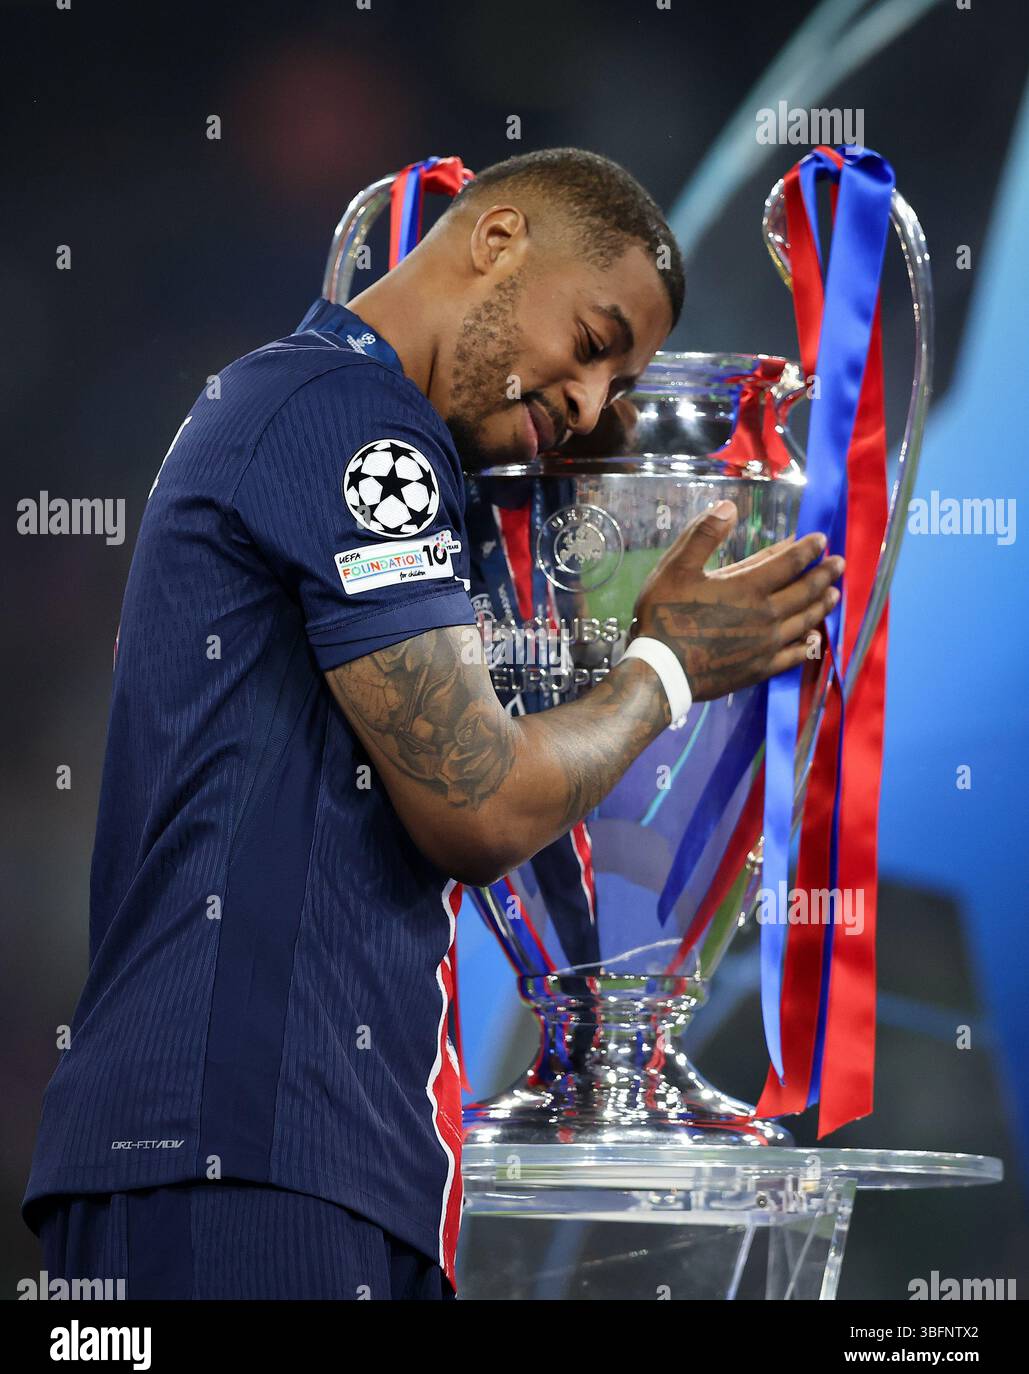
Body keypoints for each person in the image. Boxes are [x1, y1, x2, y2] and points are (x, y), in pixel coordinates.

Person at [23, 148, 842, 1300]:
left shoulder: (321, 419)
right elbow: (479, 800)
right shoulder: (350, 420)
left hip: (311, 1160)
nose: (591, 403)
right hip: (240, 1166)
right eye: (596, 341)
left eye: (621, 383)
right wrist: (666, 666)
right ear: (496, 241)